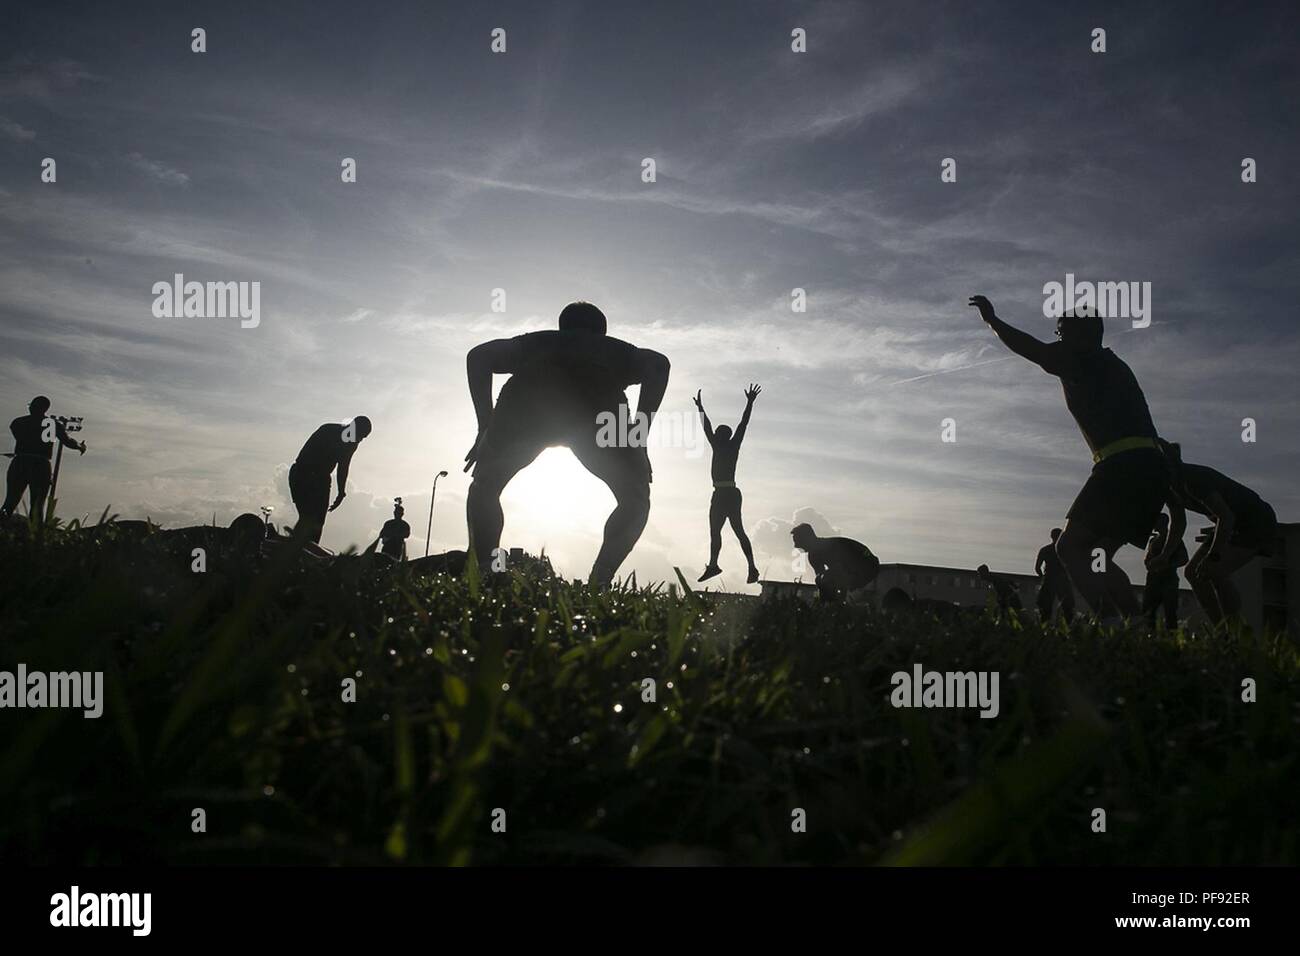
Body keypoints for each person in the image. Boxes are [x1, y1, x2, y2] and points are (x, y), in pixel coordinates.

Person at [970, 295, 1165, 622]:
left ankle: (1108, 621)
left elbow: (1033, 350)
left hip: (1121, 466)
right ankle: (1138, 626)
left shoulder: (1083, 361)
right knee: (1099, 555)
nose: (1057, 341)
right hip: (1151, 467)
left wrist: (992, 320)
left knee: (1070, 548)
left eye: (1061, 333)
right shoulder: (1116, 366)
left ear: (1086, 335)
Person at [463, 302, 670, 586]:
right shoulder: (614, 349)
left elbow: (479, 356)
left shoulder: (537, 342)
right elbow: (659, 365)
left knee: (484, 486)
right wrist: (639, 438)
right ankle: (601, 578)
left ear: (563, 326)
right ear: (602, 331)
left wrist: (485, 425)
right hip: (596, 417)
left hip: (525, 412)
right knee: (635, 500)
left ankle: (489, 567)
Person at [1150, 440, 1278, 626]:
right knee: (1193, 573)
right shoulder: (1168, 488)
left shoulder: (1191, 480)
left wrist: (1213, 555)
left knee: (1214, 571)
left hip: (1256, 522)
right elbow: (1178, 523)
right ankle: (1220, 631)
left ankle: (1235, 632)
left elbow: (1226, 518)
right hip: (1230, 523)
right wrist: (1165, 555)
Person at [694, 384, 761, 584]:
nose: (714, 434)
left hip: (729, 493)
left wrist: (750, 403)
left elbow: (743, 423)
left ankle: (752, 568)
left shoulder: (732, 445)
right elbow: (707, 427)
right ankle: (714, 565)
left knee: (737, 530)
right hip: (722, 493)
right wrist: (700, 408)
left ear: (725, 435)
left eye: (718, 432)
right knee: (716, 531)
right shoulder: (719, 444)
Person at [0, 396, 86, 523]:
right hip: (40, 464)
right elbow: (67, 441)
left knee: (10, 501)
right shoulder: (52, 425)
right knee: (37, 505)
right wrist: (80, 446)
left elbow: (19, 435)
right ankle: (35, 538)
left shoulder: (18, 422)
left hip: (20, 461)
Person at [289, 416, 371, 544]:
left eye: (363, 438)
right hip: (303, 474)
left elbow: (343, 467)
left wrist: (341, 491)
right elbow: (340, 466)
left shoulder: (351, 443)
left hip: (320, 479)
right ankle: (293, 549)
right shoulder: (329, 430)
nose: (360, 440)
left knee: (318, 521)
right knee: (308, 517)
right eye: (360, 435)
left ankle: (308, 551)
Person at [790, 522, 879, 602]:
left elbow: (840, 573)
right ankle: (830, 606)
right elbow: (820, 579)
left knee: (831, 577)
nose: (795, 546)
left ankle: (838, 606)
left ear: (807, 539)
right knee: (822, 579)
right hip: (853, 569)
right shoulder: (813, 556)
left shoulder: (830, 547)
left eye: (797, 542)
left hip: (868, 564)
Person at [1142, 511, 1187, 630]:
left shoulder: (1174, 539)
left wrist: (1166, 566)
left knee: (1170, 614)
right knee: (1148, 613)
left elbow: (1184, 559)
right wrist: (1149, 564)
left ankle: (1171, 640)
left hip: (1168, 581)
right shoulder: (1153, 540)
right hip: (1152, 581)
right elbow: (1147, 559)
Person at [1034, 528, 1075, 621]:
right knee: (1067, 608)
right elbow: (1073, 566)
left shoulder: (1045, 550)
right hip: (1062, 580)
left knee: (1045, 609)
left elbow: (1037, 568)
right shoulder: (1066, 550)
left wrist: (1043, 578)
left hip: (1050, 579)